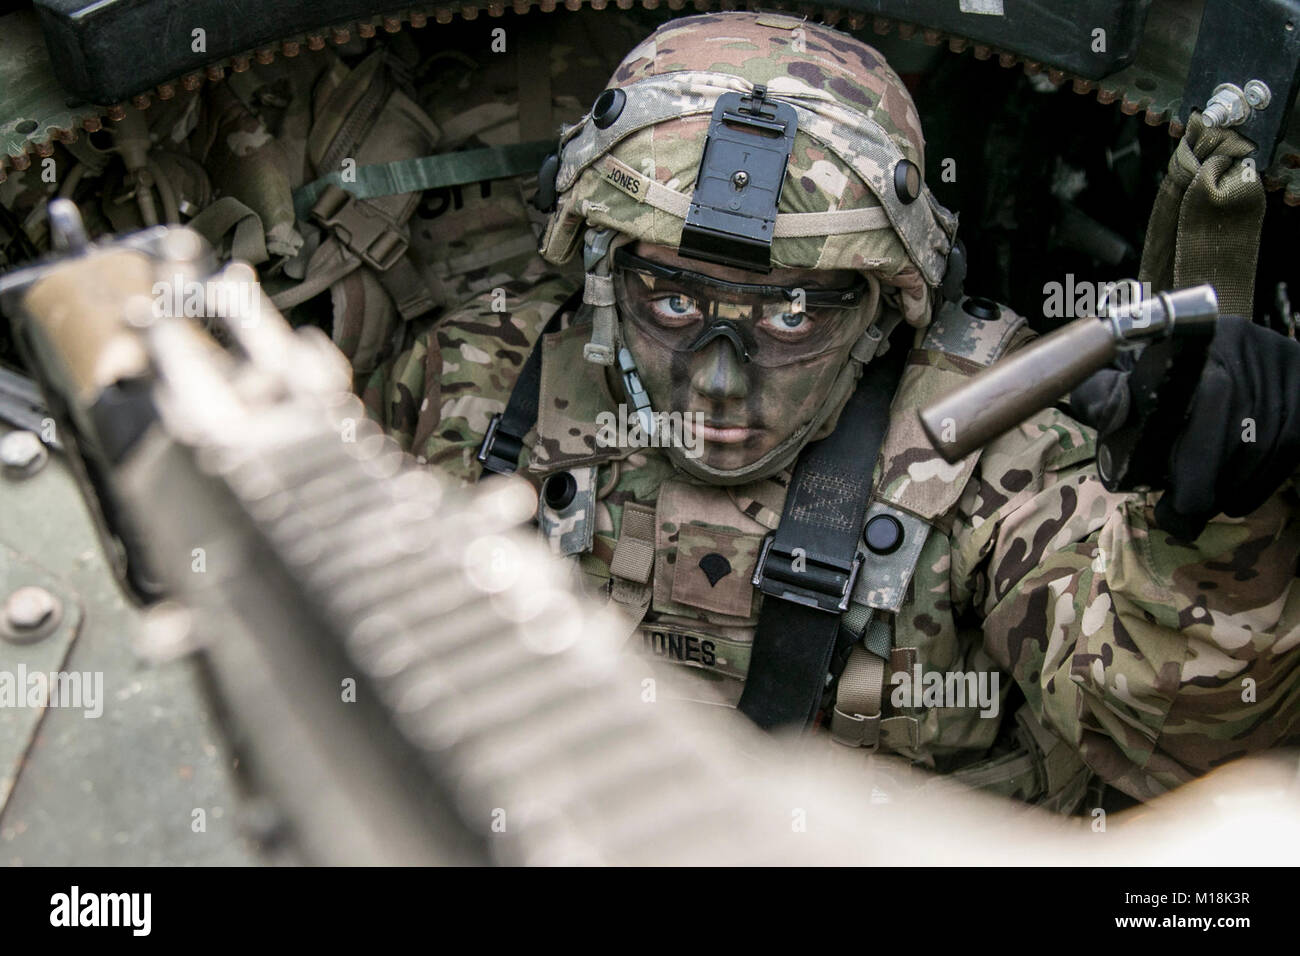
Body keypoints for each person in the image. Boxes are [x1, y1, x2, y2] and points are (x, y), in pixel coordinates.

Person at [361, 11, 1300, 812]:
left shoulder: (991, 437)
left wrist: (1217, 523)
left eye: (793, 314)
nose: (720, 385)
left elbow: (1166, 736)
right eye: (675, 304)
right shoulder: (485, 382)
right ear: (604, 281)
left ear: (884, 313)